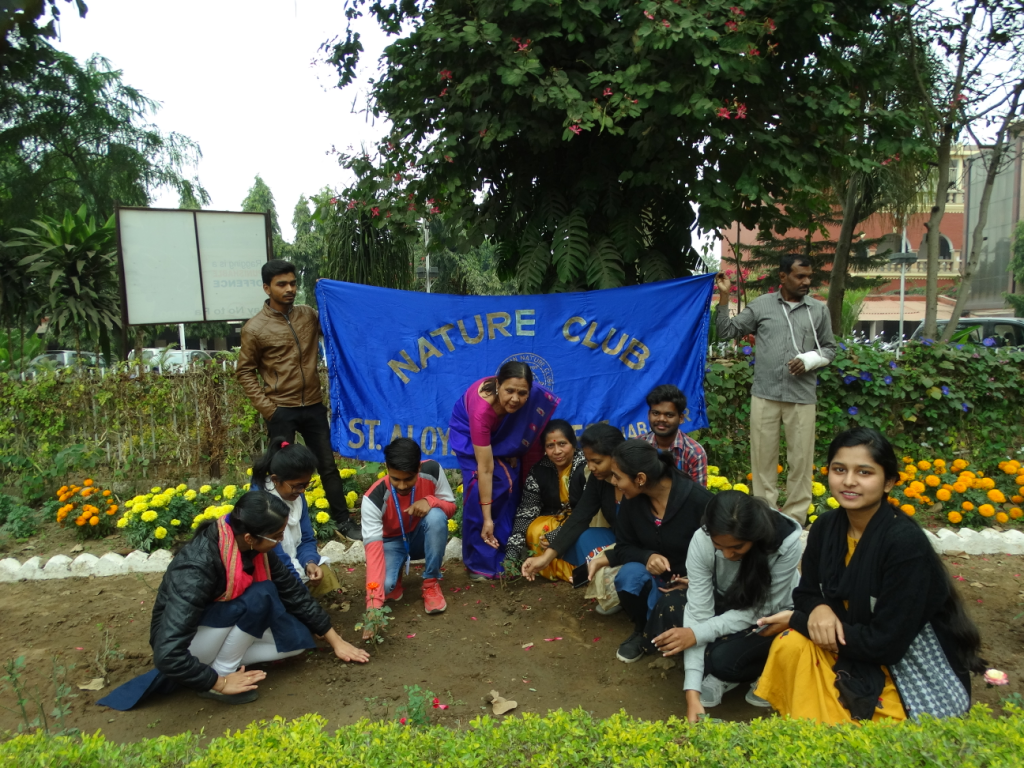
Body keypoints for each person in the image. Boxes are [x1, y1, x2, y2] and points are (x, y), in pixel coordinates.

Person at [754, 428, 984, 723]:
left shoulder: (904, 543)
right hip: (850, 641)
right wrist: (819, 608)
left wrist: (797, 619)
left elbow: (885, 644)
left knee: (799, 638)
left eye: (864, 472)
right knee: (790, 645)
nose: (849, 481)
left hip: (902, 663)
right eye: (839, 469)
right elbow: (807, 592)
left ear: (888, 482)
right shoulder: (825, 527)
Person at [98, 491, 368, 710]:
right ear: (250, 537)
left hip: (216, 630)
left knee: (295, 641)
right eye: (276, 536)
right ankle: (220, 673)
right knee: (261, 595)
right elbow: (167, 653)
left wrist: (335, 640)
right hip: (186, 646)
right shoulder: (196, 566)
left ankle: (214, 665)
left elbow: (293, 593)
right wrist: (219, 682)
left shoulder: (256, 548)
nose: (280, 541)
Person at [644, 490, 801, 722]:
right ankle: (720, 663)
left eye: (737, 547)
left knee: (722, 660)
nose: (727, 555)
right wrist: (692, 694)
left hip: (771, 615)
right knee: (670, 606)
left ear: (755, 537)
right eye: (719, 545)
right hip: (728, 601)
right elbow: (698, 611)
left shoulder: (786, 545)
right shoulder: (701, 540)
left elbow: (759, 611)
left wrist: (696, 634)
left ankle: (769, 672)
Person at [237, 259, 362, 540]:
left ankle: (343, 522)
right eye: (282, 284)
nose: (290, 289)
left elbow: (337, 329)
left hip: (313, 406)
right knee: (278, 471)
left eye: (293, 283)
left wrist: (331, 295)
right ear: (267, 288)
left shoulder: (308, 315)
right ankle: (272, 526)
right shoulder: (254, 328)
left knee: (327, 466)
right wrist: (269, 409)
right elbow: (244, 371)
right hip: (281, 410)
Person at [715, 255, 836, 524]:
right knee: (762, 461)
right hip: (765, 395)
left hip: (802, 397)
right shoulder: (762, 305)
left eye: (809, 276)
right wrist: (724, 296)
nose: (806, 281)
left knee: (801, 462)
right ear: (783, 276)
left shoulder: (818, 310)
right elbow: (726, 331)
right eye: (800, 276)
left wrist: (809, 360)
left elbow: (829, 348)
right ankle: (764, 518)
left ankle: (794, 521)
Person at [592, 439, 713, 664]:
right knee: (629, 575)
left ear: (640, 478)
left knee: (676, 618)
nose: (614, 482)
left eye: (617, 476)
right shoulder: (632, 500)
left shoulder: (699, 502)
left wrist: (694, 580)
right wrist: (647, 556)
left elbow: (720, 555)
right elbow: (624, 546)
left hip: (692, 584)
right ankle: (642, 629)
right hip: (655, 580)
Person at [448, 361, 560, 579]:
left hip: (500, 433)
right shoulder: (481, 412)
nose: (515, 399)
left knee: (512, 481)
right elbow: (485, 469)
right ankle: (479, 562)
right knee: (486, 486)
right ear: (498, 385)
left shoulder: (531, 393)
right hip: (469, 436)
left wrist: (510, 445)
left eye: (522, 393)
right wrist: (487, 519)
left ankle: (508, 552)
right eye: (509, 391)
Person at [521, 424, 624, 612]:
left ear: (616, 457)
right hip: (620, 540)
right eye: (588, 460)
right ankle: (613, 591)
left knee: (623, 568)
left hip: (643, 548)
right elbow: (580, 517)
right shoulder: (599, 479)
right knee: (582, 536)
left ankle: (623, 590)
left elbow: (643, 538)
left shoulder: (638, 482)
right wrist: (545, 558)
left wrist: (604, 558)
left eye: (597, 461)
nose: (590, 467)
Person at [361, 437, 457, 620]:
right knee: (385, 587)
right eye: (396, 479)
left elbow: (451, 507)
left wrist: (431, 501)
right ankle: (395, 575)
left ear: (418, 468)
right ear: (387, 468)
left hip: (421, 538)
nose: (402, 486)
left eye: (409, 479)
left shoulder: (432, 470)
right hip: (391, 543)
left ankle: (430, 583)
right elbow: (373, 551)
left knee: (436, 516)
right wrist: (373, 606)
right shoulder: (373, 499)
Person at [251, 436, 340, 597]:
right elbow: (275, 557)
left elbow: (306, 538)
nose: (302, 491)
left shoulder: (298, 498)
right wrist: (297, 587)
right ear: (275, 480)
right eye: (297, 486)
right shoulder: (261, 504)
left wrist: (309, 562)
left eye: (306, 484)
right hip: (270, 571)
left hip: (294, 564)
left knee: (324, 576)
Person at [505, 419, 588, 582]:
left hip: (583, 520)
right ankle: (549, 569)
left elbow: (589, 512)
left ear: (573, 444)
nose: (557, 451)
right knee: (536, 530)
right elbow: (526, 511)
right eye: (550, 446)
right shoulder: (539, 470)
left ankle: (579, 572)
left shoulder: (586, 467)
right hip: (555, 517)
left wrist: (558, 535)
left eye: (562, 444)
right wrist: (512, 552)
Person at [642, 384, 708, 487]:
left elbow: (698, 495)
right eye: (656, 413)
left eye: (669, 415)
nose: (661, 419)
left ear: (681, 418)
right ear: (648, 414)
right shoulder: (638, 445)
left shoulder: (694, 453)